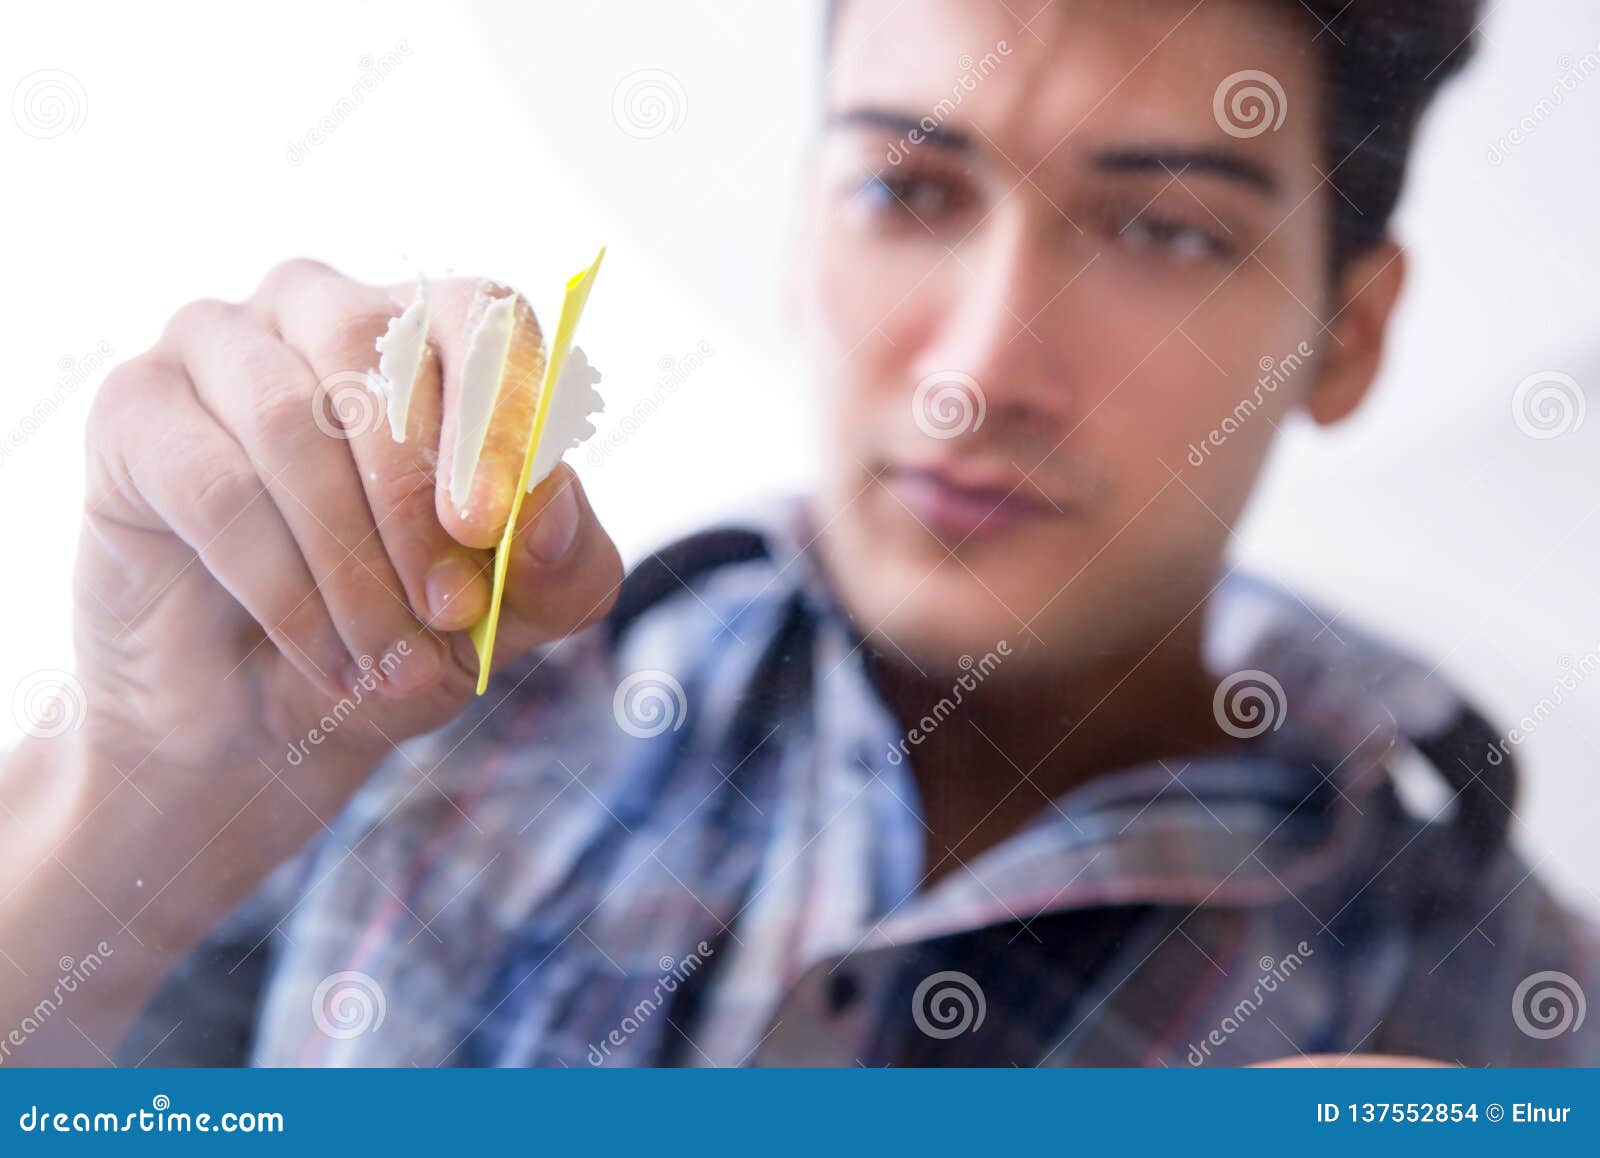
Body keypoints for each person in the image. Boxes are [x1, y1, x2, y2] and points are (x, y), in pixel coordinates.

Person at [2, 0, 1595, 1067]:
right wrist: (137, 801)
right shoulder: (395, 704)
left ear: (1346, 335)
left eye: (1166, 229)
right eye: (908, 189)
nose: (979, 372)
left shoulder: (1516, 1017)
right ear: (795, 224)